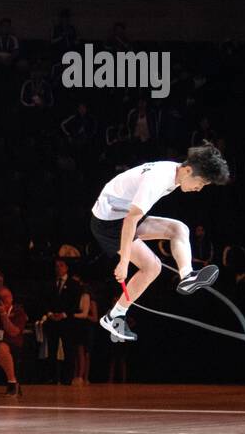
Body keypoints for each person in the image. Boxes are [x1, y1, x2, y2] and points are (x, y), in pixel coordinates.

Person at [89, 145, 231, 342]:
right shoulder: (158, 180)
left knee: (179, 229)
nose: (199, 189)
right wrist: (123, 263)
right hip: (110, 222)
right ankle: (114, 316)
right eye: (200, 183)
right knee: (152, 267)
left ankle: (187, 276)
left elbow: (132, 216)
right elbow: (130, 220)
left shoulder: (174, 171)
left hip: (122, 214)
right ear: (188, 170)